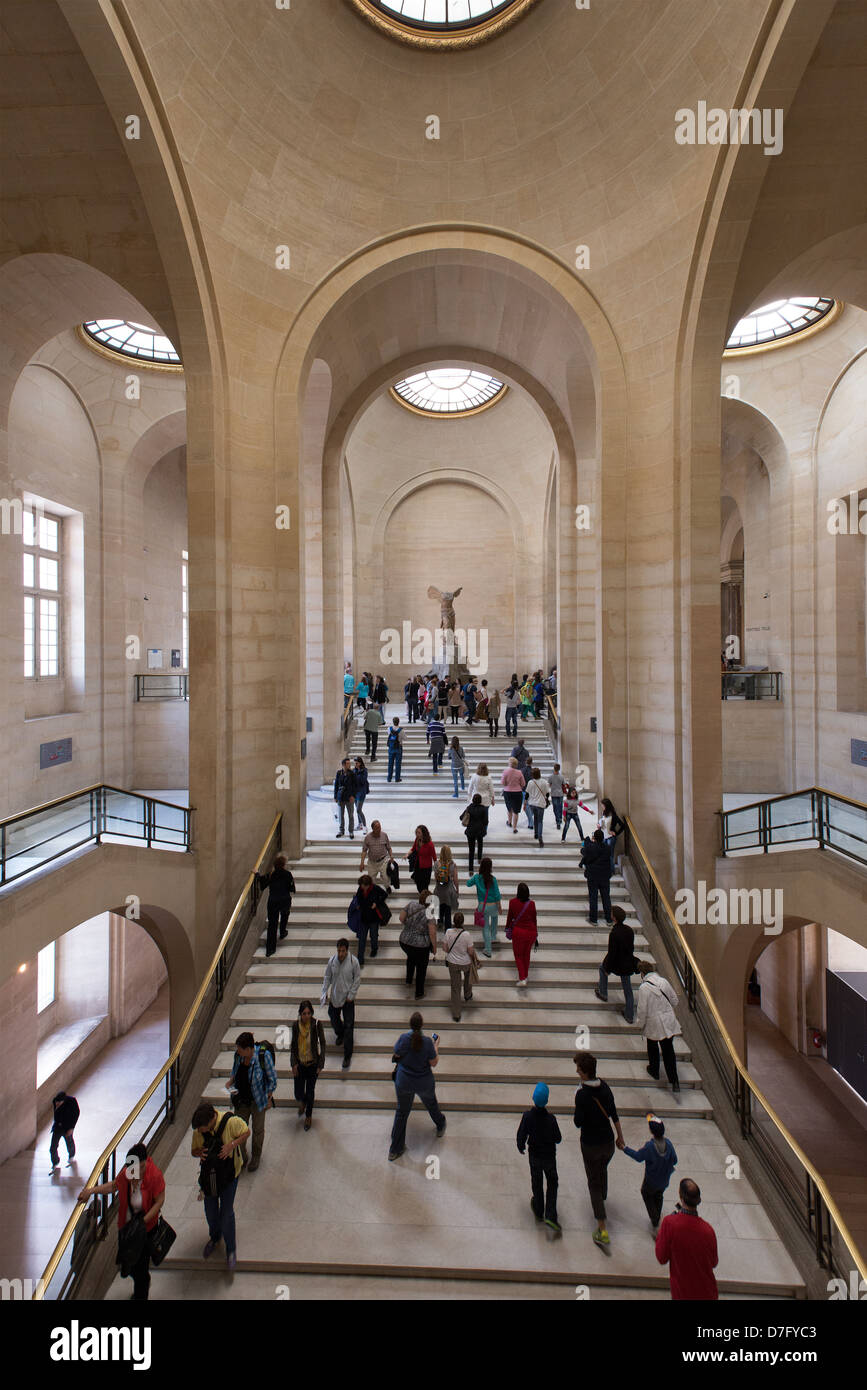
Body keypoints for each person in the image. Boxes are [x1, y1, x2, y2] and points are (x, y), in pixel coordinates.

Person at [78, 1142, 165, 1300]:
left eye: (142, 1167)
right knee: (129, 1264)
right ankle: (141, 1280)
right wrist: (91, 1191)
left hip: (145, 1230)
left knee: (140, 1267)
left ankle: (141, 1294)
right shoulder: (127, 1173)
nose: (138, 1172)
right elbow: (114, 1186)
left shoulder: (154, 1175)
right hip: (126, 1228)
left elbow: (159, 1201)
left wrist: (143, 1221)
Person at [572, 1050, 624, 1248]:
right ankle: (602, 1195)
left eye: (578, 1068)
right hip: (609, 1142)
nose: (577, 1071)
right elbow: (614, 1113)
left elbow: (578, 1122)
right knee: (602, 1169)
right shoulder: (604, 1087)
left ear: (585, 1072)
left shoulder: (582, 1095)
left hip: (591, 1144)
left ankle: (602, 1228)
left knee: (593, 1181)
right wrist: (621, 1136)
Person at [190, 1102, 250, 1269]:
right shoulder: (198, 1131)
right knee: (210, 1211)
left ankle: (231, 1249)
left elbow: (246, 1132)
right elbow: (193, 1150)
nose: (200, 1132)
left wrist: (232, 1145)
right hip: (210, 1177)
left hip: (229, 1175)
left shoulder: (231, 1122)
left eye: (202, 1128)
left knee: (226, 1213)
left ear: (210, 1122)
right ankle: (215, 1237)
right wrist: (198, 1153)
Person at [388, 1011, 445, 1160]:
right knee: (431, 1104)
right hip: (423, 1081)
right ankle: (440, 1124)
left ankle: (395, 1149)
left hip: (404, 1081)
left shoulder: (403, 1038)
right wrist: (436, 1046)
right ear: (422, 1025)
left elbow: (397, 1055)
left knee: (401, 1112)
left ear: (410, 1024)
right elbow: (434, 1063)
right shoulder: (427, 1042)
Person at [655, 1179, 719, 1300]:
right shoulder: (708, 1230)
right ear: (698, 1200)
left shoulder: (670, 1223)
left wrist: (661, 1232)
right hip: (708, 1293)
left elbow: (661, 1257)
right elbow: (714, 1262)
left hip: (683, 1293)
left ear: (681, 1196)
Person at [226, 1031, 277, 1171]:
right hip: (240, 1099)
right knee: (238, 1130)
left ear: (249, 1049)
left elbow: (272, 1079)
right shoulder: (238, 1056)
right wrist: (230, 1082)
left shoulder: (263, 1056)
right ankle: (242, 1156)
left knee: (258, 1130)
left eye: (241, 1050)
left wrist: (269, 1097)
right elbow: (234, 1071)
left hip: (258, 1100)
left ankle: (256, 1157)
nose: (238, 1052)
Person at [517, 1082, 562, 1235]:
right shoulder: (551, 1119)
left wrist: (521, 1145)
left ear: (533, 1098)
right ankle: (551, 1214)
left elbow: (521, 1134)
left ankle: (538, 1208)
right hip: (549, 1156)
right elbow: (558, 1138)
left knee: (536, 1181)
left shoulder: (528, 1116)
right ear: (547, 1100)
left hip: (534, 1155)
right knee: (552, 1182)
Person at [623, 1113, 678, 1234]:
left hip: (651, 1180)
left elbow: (638, 1157)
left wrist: (625, 1149)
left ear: (651, 1131)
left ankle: (655, 1218)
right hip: (664, 1180)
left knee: (646, 1193)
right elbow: (675, 1160)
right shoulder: (669, 1144)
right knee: (659, 1195)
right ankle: (657, 1215)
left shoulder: (650, 1147)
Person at [635, 961, 682, 1092]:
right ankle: (674, 1081)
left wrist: (640, 1024)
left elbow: (642, 1010)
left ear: (642, 973)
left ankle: (654, 1070)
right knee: (668, 1051)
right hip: (668, 1021)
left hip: (654, 1022)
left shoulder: (644, 988)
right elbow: (674, 1000)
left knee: (652, 1046)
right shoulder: (663, 981)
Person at [321, 937, 361, 1070]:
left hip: (348, 999)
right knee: (333, 1017)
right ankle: (340, 1033)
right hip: (335, 996)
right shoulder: (332, 961)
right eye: (339, 951)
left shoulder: (353, 961)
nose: (341, 954)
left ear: (347, 950)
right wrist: (324, 991)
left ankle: (347, 1055)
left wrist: (351, 995)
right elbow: (327, 977)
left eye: (343, 951)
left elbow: (357, 979)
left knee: (349, 1026)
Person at [594, 905, 636, 1022]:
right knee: (627, 989)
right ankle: (629, 1014)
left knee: (602, 969)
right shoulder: (629, 930)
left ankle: (603, 993)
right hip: (627, 963)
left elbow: (612, 953)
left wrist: (608, 968)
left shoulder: (614, 933)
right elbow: (631, 947)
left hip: (618, 963)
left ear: (614, 918)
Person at [290, 999, 326, 1130]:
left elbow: (322, 1043)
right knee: (298, 1093)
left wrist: (320, 1064)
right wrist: (293, 1063)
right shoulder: (295, 1026)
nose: (306, 1016)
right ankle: (303, 1101)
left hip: (312, 1064)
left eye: (308, 1013)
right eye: (304, 1013)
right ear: (300, 1014)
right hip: (300, 1064)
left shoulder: (316, 1025)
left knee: (310, 1092)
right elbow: (293, 1045)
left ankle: (308, 1116)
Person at [398, 890, 438, 999]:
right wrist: (434, 948)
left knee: (411, 958)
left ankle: (408, 980)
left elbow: (401, 918)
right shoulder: (430, 914)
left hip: (405, 941)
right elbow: (432, 933)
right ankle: (419, 992)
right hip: (421, 945)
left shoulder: (411, 905)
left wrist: (410, 927)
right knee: (421, 967)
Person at [255, 852, 297, 957]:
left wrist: (256, 874)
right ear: (283, 864)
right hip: (284, 900)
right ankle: (282, 932)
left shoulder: (271, 875)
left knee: (272, 925)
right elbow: (292, 889)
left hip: (273, 901)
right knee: (285, 915)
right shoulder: (288, 874)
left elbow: (262, 882)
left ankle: (270, 949)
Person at [349, 872, 389, 967]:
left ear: (368, 885)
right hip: (363, 917)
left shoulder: (375, 888)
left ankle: (374, 949)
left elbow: (384, 895)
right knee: (362, 938)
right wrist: (358, 905)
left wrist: (377, 903)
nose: (362, 888)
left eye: (363, 886)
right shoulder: (361, 889)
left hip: (373, 918)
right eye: (361, 886)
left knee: (373, 935)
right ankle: (360, 958)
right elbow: (358, 897)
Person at [443, 910, 477, 1021]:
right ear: (462, 922)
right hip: (465, 962)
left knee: (455, 987)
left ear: (453, 921)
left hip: (453, 962)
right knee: (468, 977)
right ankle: (467, 994)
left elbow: (445, 948)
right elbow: (471, 951)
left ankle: (456, 1014)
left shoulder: (448, 932)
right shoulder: (466, 934)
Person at [466, 855, 501, 956]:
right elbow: (497, 895)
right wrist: (499, 907)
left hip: (483, 906)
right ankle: (493, 936)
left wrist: (475, 878)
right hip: (494, 905)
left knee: (485, 928)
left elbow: (468, 883)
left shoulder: (477, 877)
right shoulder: (493, 879)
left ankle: (488, 950)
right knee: (495, 917)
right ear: (490, 867)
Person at [506, 881, 537, 987]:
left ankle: (522, 977)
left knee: (518, 955)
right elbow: (534, 919)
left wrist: (507, 928)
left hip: (519, 933)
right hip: (531, 932)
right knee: (526, 954)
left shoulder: (512, 902)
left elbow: (510, 917)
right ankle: (526, 976)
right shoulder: (532, 904)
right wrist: (536, 933)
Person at [582, 829, 613, 924]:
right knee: (606, 897)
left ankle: (593, 919)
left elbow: (583, 851)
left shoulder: (591, 847)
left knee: (593, 897)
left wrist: (589, 842)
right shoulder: (608, 848)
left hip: (593, 875)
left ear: (594, 837)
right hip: (604, 875)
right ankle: (609, 919)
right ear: (603, 838)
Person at [49, 1090, 80, 1174]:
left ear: (64, 1101)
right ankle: (55, 1162)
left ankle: (71, 1156)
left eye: (59, 1103)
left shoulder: (72, 1101)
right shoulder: (55, 1101)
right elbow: (56, 1115)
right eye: (56, 1103)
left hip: (67, 1127)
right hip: (57, 1127)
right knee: (53, 1147)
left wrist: (71, 1128)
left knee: (69, 1142)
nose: (57, 1104)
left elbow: (76, 1114)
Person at [359, 819, 394, 892]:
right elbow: (364, 850)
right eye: (377, 828)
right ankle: (374, 891)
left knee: (386, 877)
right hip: (372, 863)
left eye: (380, 827)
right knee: (371, 879)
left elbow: (389, 847)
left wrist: (391, 856)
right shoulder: (368, 837)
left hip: (383, 860)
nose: (379, 829)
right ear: (373, 829)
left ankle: (387, 887)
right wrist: (362, 862)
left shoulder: (384, 835)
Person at [433, 843, 460, 928]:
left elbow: (436, 878)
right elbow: (455, 879)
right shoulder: (453, 864)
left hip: (439, 890)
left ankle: (440, 922)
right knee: (448, 911)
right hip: (449, 891)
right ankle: (447, 928)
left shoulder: (437, 864)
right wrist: (457, 889)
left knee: (440, 906)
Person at [463, 793, 488, 874]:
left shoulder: (469, 807)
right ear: (480, 800)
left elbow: (461, 817)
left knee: (471, 850)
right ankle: (479, 858)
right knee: (480, 844)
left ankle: (471, 869)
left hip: (470, 831)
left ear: (473, 800)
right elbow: (485, 821)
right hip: (480, 830)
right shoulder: (483, 809)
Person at [599, 797, 626, 873]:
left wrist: (616, 833)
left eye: (603, 805)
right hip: (604, 837)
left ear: (606, 806)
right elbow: (604, 825)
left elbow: (623, 826)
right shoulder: (603, 814)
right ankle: (606, 869)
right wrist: (599, 826)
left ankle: (611, 871)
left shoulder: (613, 815)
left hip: (611, 838)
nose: (602, 807)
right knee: (604, 854)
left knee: (610, 855)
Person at [526, 767, 551, 846]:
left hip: (532, 804)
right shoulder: (544, 782)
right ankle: (540, 836)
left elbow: (527, 794)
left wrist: (525, 803)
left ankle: (536, 834)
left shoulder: (530, 782)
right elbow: (547, 794)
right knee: (540, 821)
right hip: (540, 804)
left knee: (535, 819)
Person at [333, 756, 357, 839]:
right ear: (343, 765)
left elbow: (355, 786)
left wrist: (353, 796)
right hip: (341, 796)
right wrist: (335, 796)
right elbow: (336, 785)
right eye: (347, 764)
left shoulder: (352, 773)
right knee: (341, 815)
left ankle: (351, 831)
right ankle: (341, 830)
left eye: (349, 763)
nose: (349, 765)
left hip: (349, 797)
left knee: (350, 815)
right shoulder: (339, 773)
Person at [501, 757, 526, 833]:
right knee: (516, 811)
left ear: (509, 763)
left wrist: (507, 785)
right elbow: (523, 784)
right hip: (517, 792)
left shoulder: (505, 772)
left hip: (507, 792)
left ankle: (509, 822)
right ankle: (514, 828)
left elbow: (503, 783)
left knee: (509, 808)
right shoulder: (519, 772)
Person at [408, 824, 437, 891]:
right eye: (416, 832)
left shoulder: (430, 844)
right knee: (418, 883)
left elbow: (434, 857)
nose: (417, 834)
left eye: (419, 833)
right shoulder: (417, 840)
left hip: (426, 868)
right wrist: (407, 854)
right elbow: (413, 848)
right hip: (418, 865)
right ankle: (422, 897)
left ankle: (424, 899)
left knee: (425, 886)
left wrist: (437, 869)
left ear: (424, 833)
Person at [426, 707, 446, 773]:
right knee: (441, 751)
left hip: (433, 740)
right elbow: (444, 734)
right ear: (439, 718)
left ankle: (435, 770)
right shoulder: (441, 725)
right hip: (440, 740)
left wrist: (428, 740)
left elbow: (427, 733)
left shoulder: (430, 724)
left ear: (434, 718)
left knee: (434, 755)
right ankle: (440, 763)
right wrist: (446, 741)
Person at [353, 755, 370, 828]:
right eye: (355, 763)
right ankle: (360, 824)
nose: (355, 764)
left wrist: (357, 775)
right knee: (357, 809)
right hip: (355, 792)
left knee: (358, 810)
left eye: (356, 763)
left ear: (360, 763)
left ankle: (364, 826)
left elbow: (363, 781)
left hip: (361, 792)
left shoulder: (364, 770)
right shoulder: (354, 770)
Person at [386, 716, 404, 782]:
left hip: (391, 747)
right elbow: (405, 738)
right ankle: (397, 778)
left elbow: (388, 735)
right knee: (398, 764)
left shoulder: (389, 729)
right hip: (398, 747)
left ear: (393, 722)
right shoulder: (401, 730)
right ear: (398, 722)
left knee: (390, 763)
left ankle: (389, 778)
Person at [549, 763, 564, 830]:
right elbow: (564, 784)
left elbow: (549, 784)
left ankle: (557, 821)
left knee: (555, 808)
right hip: (560, 793)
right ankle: (560, 819)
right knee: (560, 807)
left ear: (554, 768)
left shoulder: (551, 776)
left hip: (554, 794)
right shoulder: (561, 777)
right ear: (559, 769)